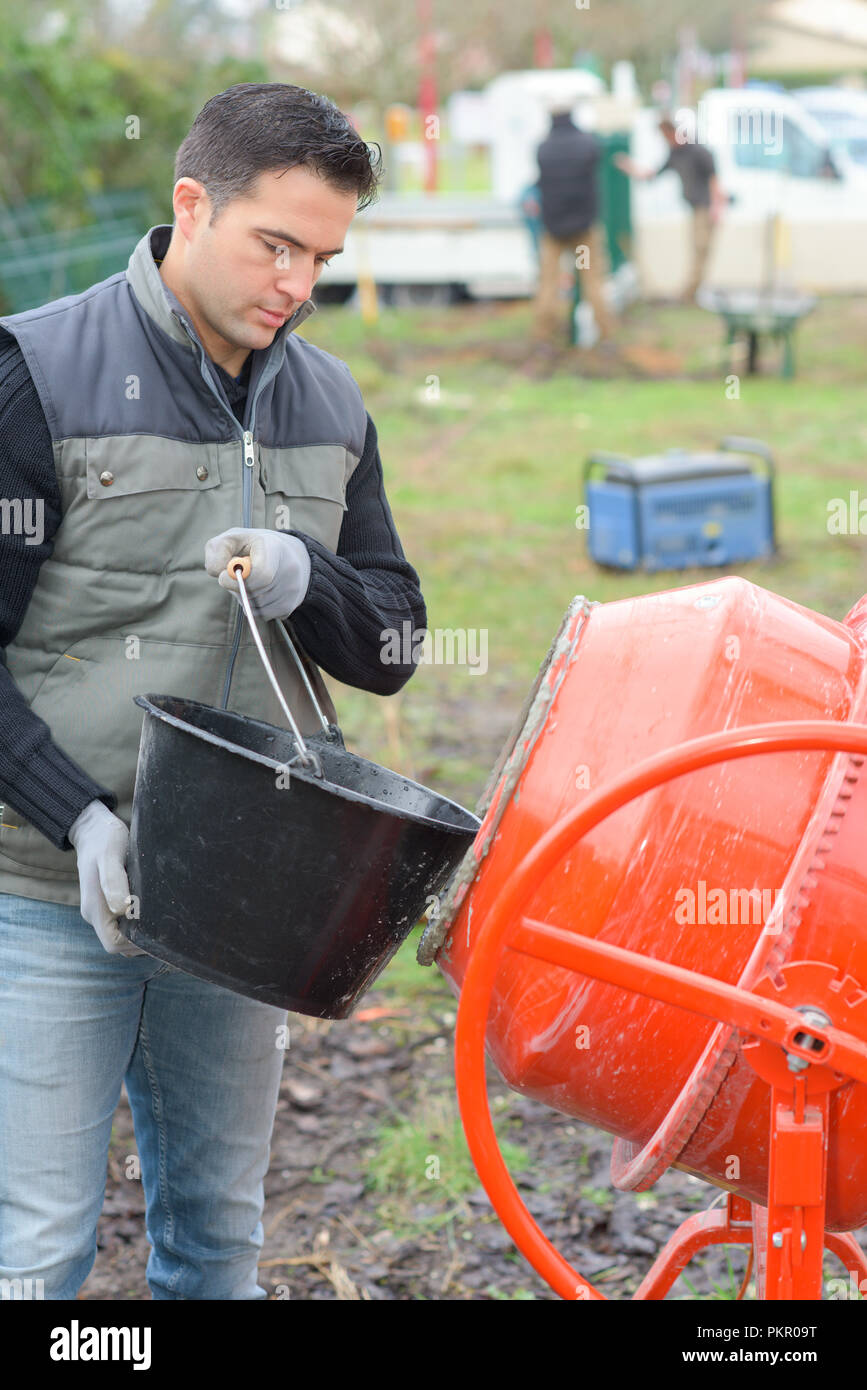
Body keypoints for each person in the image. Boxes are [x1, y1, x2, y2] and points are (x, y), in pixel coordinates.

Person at [0, 82, 426, 1300]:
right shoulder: (37, 374)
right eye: (274, 245)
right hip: (46, 899)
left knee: (218, 1251)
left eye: (323, 258)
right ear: (193, 204)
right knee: (37, 1261)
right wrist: (71, 814)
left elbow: (396, 645)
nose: (295, 285)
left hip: (248, 905)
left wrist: (314, 580)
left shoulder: (331, 405)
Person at [531, 103, 616, 350]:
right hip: (584, 229)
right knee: (592, 282)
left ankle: (543, 339)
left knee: (548, 284)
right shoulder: (587, 144)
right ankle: (606, 336)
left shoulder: (543, 148)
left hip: (553, 229)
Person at [615, 116, 726, 300]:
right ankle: (691, 292)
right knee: (698, 250)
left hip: (705, 208)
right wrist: (630, 168)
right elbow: (651, 174)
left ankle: (690, 293)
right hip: (695, 208)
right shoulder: (675, 155)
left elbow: (714, 179)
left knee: (701, 249)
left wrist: (716, 206)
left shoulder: (696, 151)